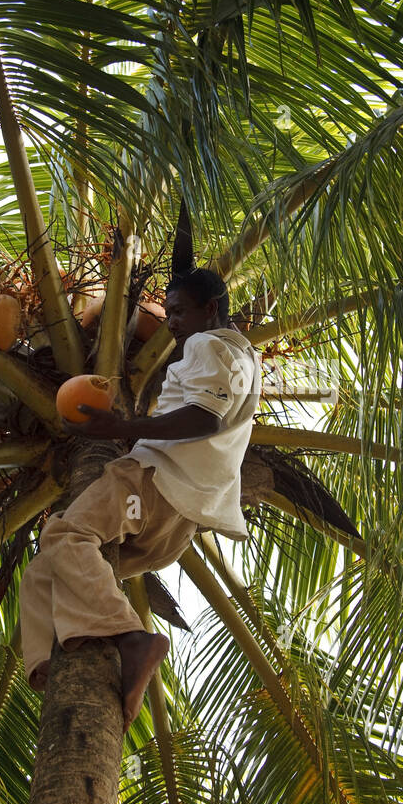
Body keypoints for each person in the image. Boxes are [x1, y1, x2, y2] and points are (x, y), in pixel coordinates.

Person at [19, 267, 262, 730]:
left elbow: (203, 419)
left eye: (178, 311)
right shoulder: (247, 363)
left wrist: (120, 429)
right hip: (176, 526)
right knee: (45, 572)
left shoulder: (207, 345)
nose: (170, 321)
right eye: (167, 312)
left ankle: (133, 638)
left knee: (68, 534)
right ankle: (52, 670)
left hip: (153, 482)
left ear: (210, 309)